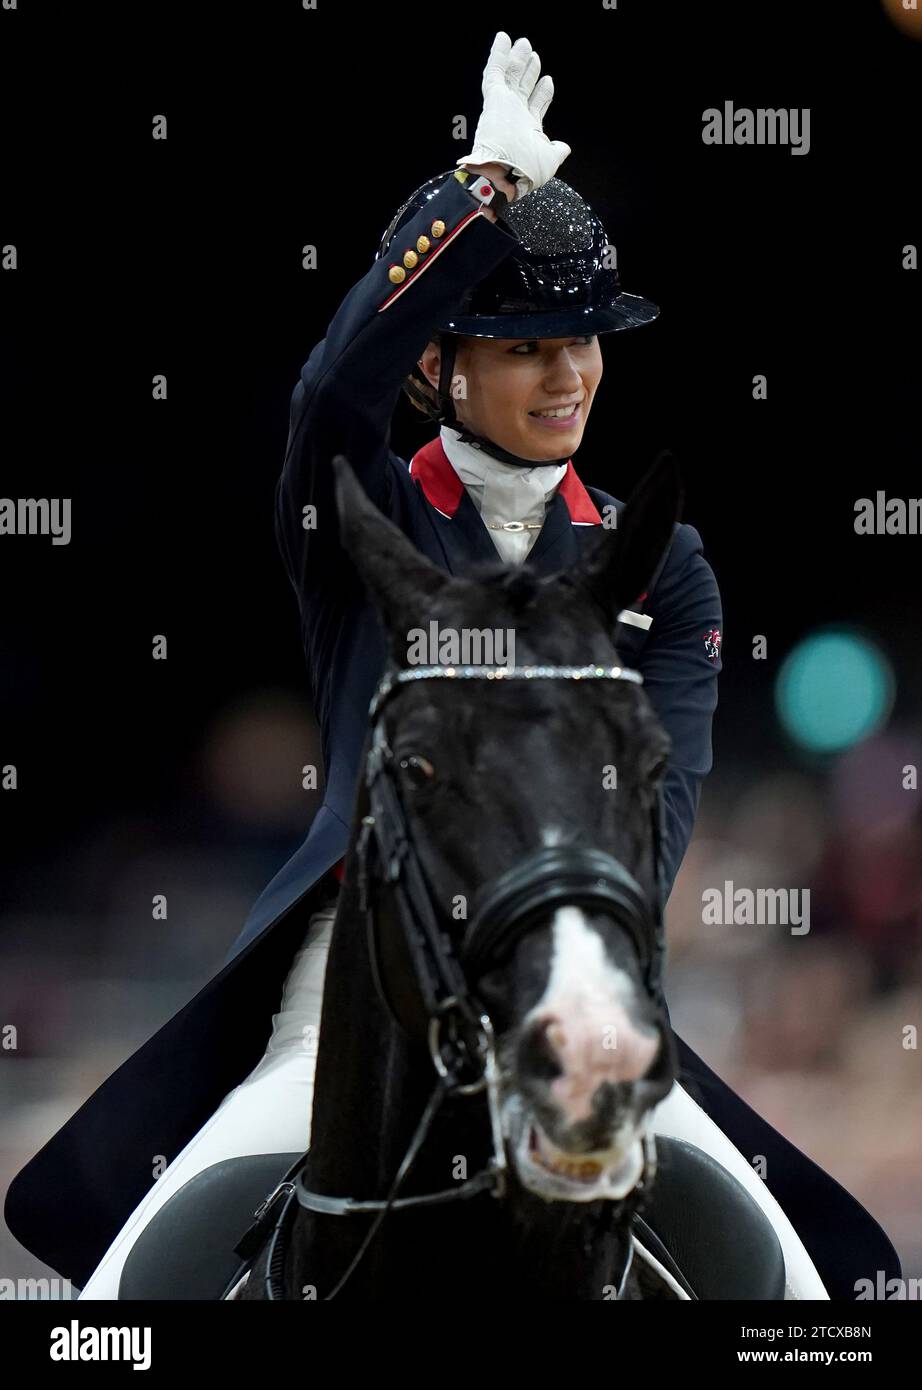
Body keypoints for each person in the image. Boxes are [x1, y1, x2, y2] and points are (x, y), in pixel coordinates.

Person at [5, 32, 898, 1302]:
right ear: (439, 363)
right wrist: (473, 197)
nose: (570, 373)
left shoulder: (663, 565)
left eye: (585, 340)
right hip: (354, 997)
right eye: (529, 343)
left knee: (798, 1289)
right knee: (124, 1302)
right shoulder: (370, 515)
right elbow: (328, 394)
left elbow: (661, 813)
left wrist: (560, 961)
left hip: (566, 968)